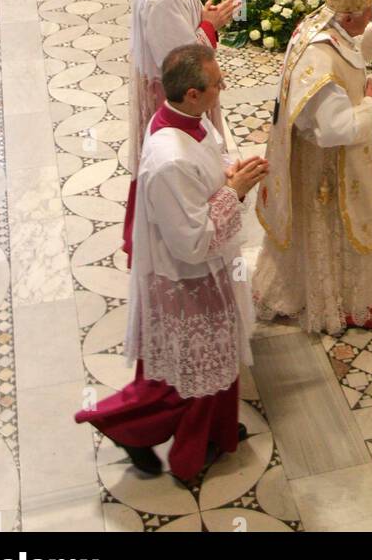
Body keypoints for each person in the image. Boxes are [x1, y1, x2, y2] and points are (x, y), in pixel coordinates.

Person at [75, 46, 268, 480]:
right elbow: (191, 242)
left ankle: (216, 433)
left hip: (211, 271)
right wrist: (234, 190)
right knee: (191, 377)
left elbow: (213, 162)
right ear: (195, 93)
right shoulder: (168, 159)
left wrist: (236, 169)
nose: (224, 88)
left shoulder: (191, 123)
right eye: (218, 83)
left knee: (213, 362)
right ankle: (182, 451)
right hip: (187, 279)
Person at [253, 0, 372, 334]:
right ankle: (335, 304)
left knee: (316, 234)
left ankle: (311, 293)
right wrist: (369, 104)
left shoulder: (321, 23)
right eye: (367, 12)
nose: (369, 14)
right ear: (349, 14)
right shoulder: (320, 58)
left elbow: (347, 47)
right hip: (326, 168)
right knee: (329, 231)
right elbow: (335, 129)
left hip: (316, 163)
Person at [124, 0, 239, 265]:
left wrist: (200, 18)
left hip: (174, 88)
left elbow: (178, 32)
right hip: (170, 96)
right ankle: (195, 226)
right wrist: (211, 27)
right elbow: (178, 63)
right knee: (184, 172)